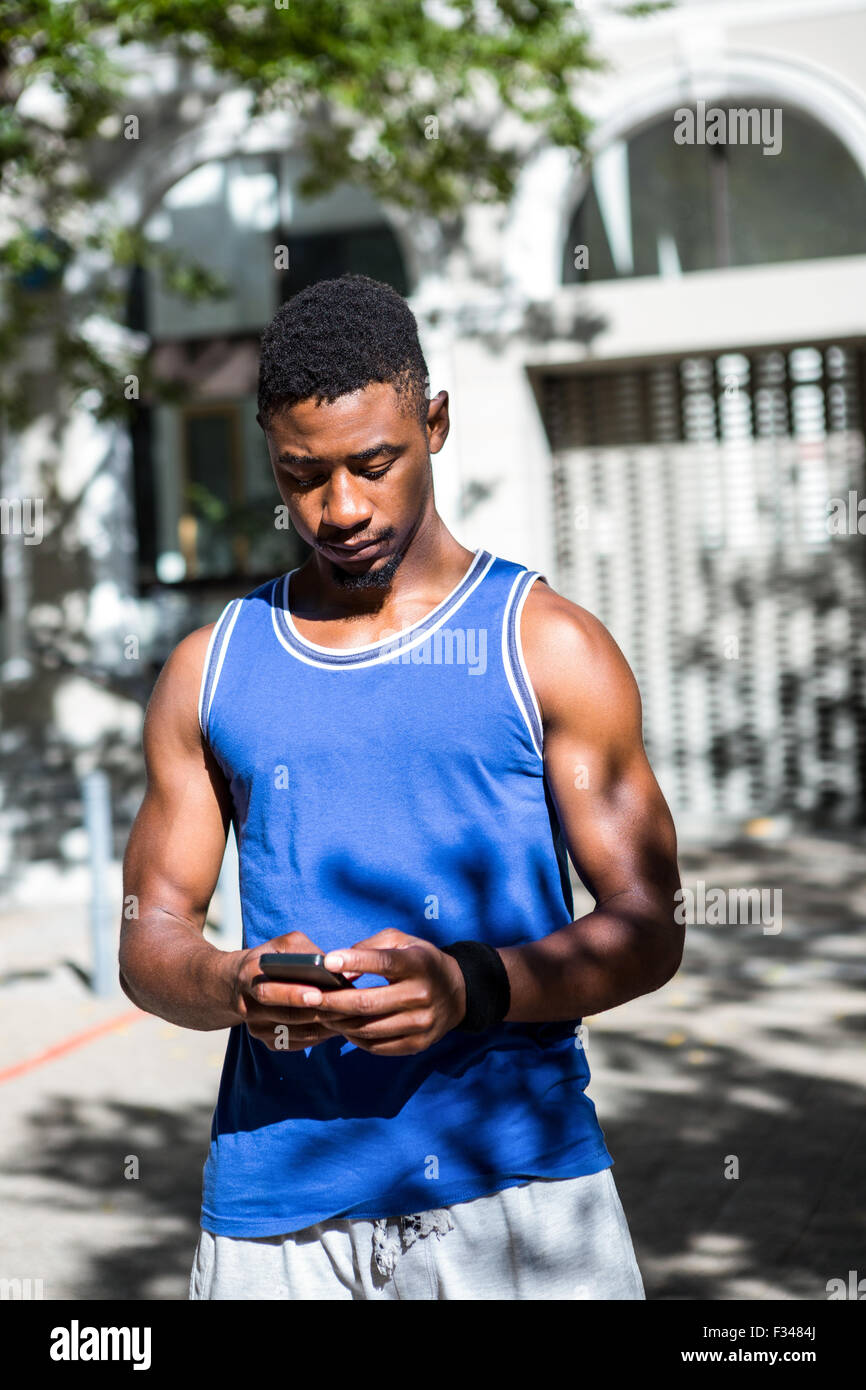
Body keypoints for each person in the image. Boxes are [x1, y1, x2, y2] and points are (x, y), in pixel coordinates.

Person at [119, 272, 684, 1301]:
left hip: (513, 1193)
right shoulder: (210, 669)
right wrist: (230, 987)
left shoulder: (546, 645)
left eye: (371, 464)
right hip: (276, 1210)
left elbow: (649, 923)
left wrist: (473, 987)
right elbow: (149, 934)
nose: (338, 509)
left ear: (434, 423)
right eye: (302, 476)